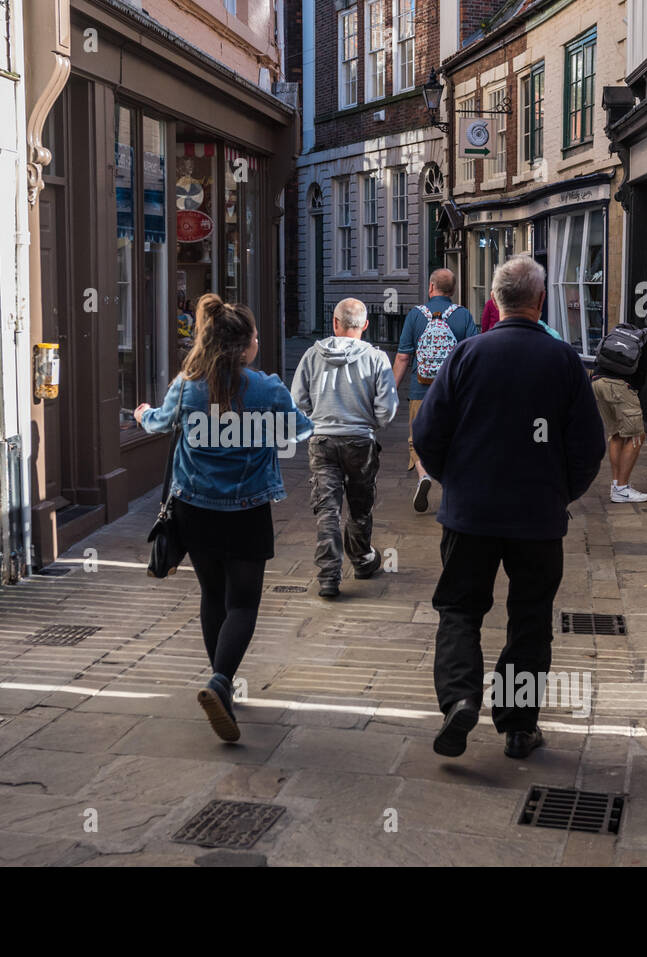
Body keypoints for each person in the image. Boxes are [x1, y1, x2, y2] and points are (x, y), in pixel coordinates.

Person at [412, 256, 605, 761]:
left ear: (495, 301)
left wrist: (455, 481)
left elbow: (426, 434)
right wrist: (559, 492)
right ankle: (519, 727)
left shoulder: (467, 355)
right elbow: (589, 447)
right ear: (540, 301)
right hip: (537, 519)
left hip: (469, 514)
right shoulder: (564, 360)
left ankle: (458, 700)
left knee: (458, 608)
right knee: (530, 616)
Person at [136, 294, 312, 743]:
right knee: (244, 603)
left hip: (195, 509)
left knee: (213, 595)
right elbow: (299, 429)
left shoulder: (188, 386)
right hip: (247, 509)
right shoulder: (268, 389)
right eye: (254, 336)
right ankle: (220, 681)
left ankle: (223, 683)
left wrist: (141, 415)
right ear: (247, 345)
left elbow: (159, 424)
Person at [291, 297, 399, 599]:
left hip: (322, 441)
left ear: (335, 323)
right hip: (359, 441)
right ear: (364, 325)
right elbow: (387, 409)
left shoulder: (312, 355)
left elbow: (298, 399)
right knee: (360, 506)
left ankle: (328, 577)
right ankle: (363, 559)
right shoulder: (376, 358)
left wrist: (318, 416)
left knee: (327, 509)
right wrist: (371, 422)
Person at [392, 268, 477, 513]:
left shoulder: (416, 316)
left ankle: (423, 476)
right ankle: (454, 487)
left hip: (421, 389)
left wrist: (390, 391)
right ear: (453, 290)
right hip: (453, 393)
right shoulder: (462, 315)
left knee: (416, 439)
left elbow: (402, 358)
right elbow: (472, 355)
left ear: (431, 287)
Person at [590, 318, 647, 503]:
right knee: (637, 435)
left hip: (598, 381)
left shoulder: (634, 337)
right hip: (619, 387)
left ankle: (617, 485)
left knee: (617, 435)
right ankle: (622, 488)